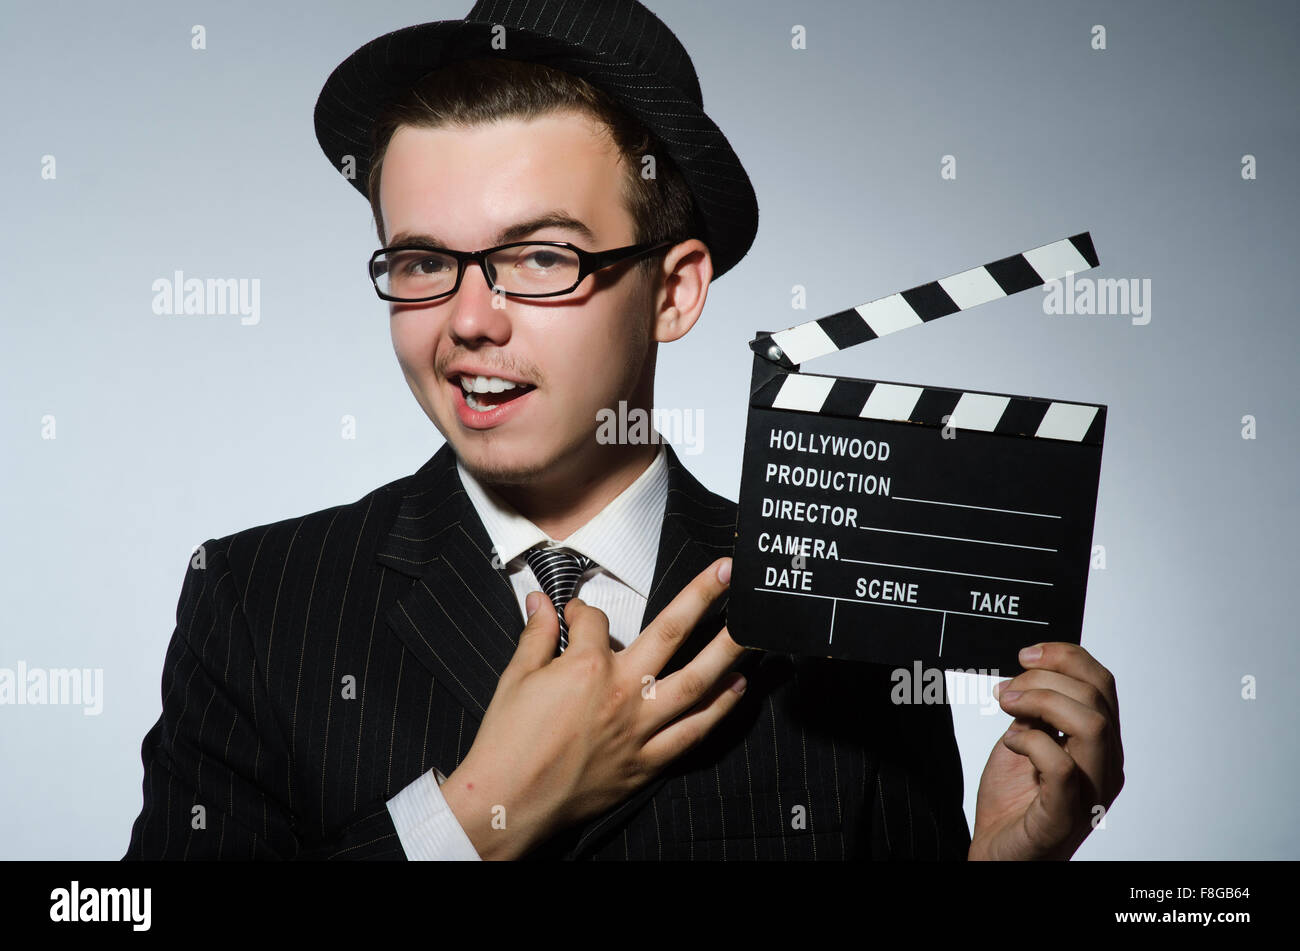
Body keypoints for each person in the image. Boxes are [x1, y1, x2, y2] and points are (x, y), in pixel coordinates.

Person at [124, 0, 1123, 861]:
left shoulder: (833, 627)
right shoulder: (257, 607)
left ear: (674, 290)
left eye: (541, 257)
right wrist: (472, 822)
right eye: (424, 261)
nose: (468, 319)